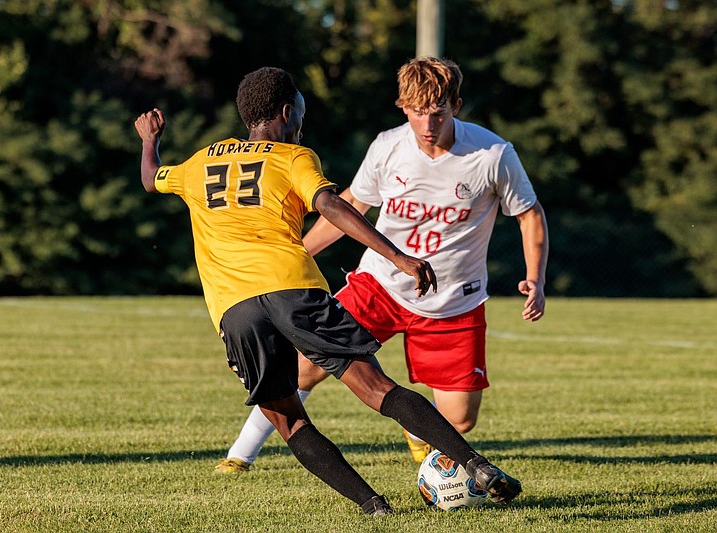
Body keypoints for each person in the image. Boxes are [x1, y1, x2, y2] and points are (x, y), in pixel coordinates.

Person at [134, 66, 522, 515]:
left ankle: (374, 507)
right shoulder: (293, 157)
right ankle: (476, 465)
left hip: (234, 310)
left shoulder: (202, 161)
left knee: (291, 420)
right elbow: (332, 205)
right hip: (294, 291)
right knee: (378, 388)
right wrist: (399, 256)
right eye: (301, 107)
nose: (303, 117)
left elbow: (151, 178)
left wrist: (149, 139)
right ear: (286, 111)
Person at [216, 57, 548, 473]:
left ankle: (415, 423)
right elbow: (351, 205)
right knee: (304, 367)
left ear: (457, 106)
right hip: (381, 283)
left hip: (452, 300)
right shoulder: (388, 146)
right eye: (418, 113)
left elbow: (529, 213)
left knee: (461, 419)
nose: (428, 125)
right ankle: (240, 455)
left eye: (439, 113)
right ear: (403, 107)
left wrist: (535, 279)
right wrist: (295, 251)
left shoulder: (493, 154)